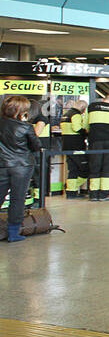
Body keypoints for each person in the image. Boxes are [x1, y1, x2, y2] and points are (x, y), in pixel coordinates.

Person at [0, 96, 42, 242]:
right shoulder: (26, 127)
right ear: (20, 110)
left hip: (2, 165)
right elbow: (36, 146)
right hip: (22, 167)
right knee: (18, 199)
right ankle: (13, 233)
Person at [84, 94, 109, 202]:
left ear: (103, 100)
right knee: (108, 166)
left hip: (95, 141)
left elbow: (85, 125)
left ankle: (93, 194)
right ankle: (104, 194)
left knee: (95, 164)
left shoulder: (91, 107)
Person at [59, 99, 88, 198]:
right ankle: (70, 187)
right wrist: (86, 132)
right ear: (83, 109)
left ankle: (71, 193)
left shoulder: (65, 115)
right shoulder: (76, 115)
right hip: (76, 146)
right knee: (85, 169)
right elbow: (77, 128)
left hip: (66, 145)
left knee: (73, 170)